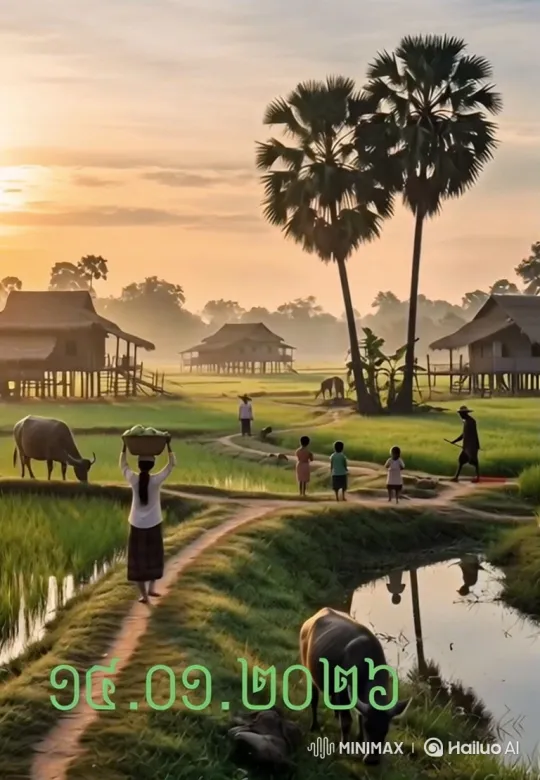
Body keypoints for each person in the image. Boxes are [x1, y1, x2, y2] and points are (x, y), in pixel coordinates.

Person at [120, 436, 176, 604]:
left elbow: (123, 465)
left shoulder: (133, 479)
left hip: (136, 524)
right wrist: (168, 445)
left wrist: (124, 447)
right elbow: (170, 465)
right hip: (153, 523)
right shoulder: (156, 480)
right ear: (152, 466)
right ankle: (152, 588)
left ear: (139, 465)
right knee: (154, 556)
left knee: (138, 560)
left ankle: (145, 595)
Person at [450, 405, 480, 483]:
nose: (460, 415)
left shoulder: (471, 422)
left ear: (465, 413)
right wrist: (455, 441)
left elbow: (472, 435)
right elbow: (464, 434)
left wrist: (472, 447)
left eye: (461, 414)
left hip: (471, 446)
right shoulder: (467, 421)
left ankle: (478, 477)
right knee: (461, 460)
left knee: (473, 461)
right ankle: (456, 477)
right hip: (467, 446)